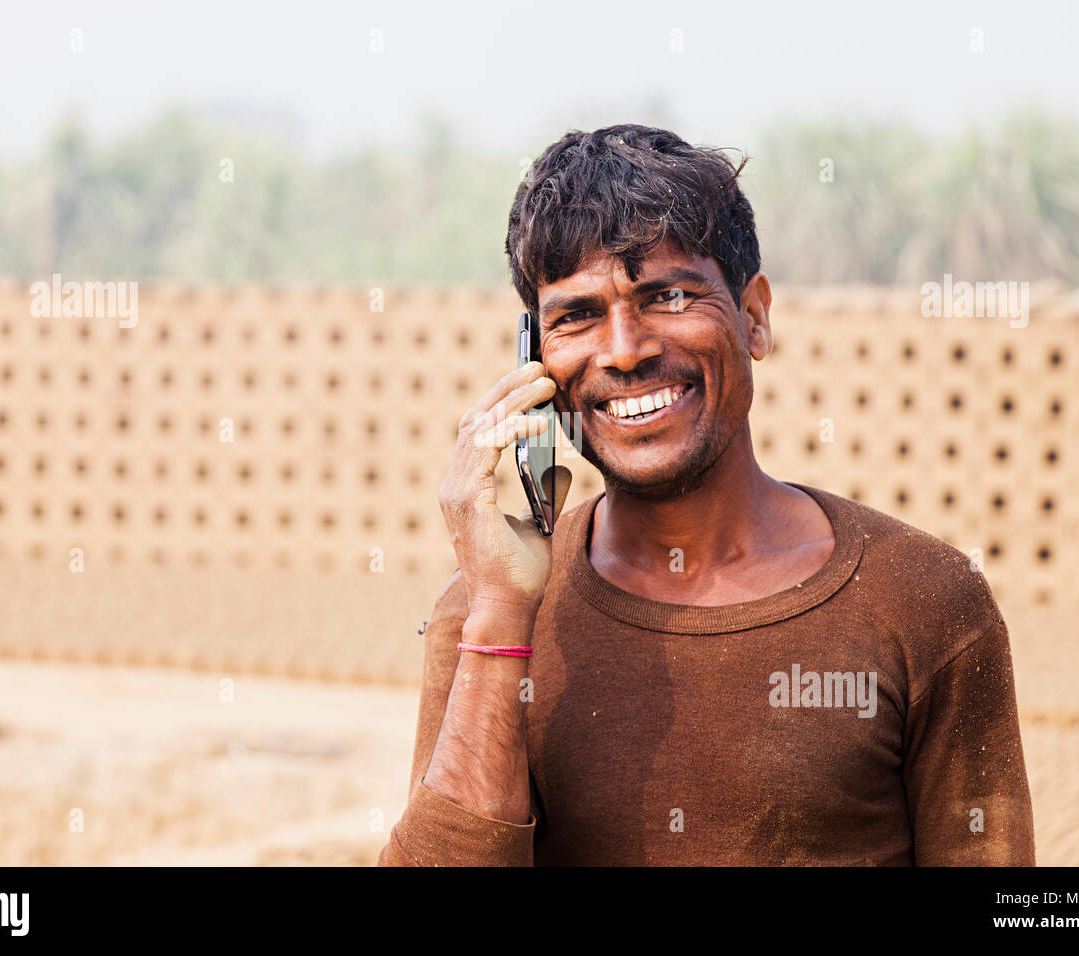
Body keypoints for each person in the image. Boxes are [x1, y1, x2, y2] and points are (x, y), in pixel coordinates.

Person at [378, 124, 1035, 865]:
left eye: (668, 295)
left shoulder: (924, 600)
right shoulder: (483, 611)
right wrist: (501, 614)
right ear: (535, 360)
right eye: (576, 316)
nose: (625, 350)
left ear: (754, 316)